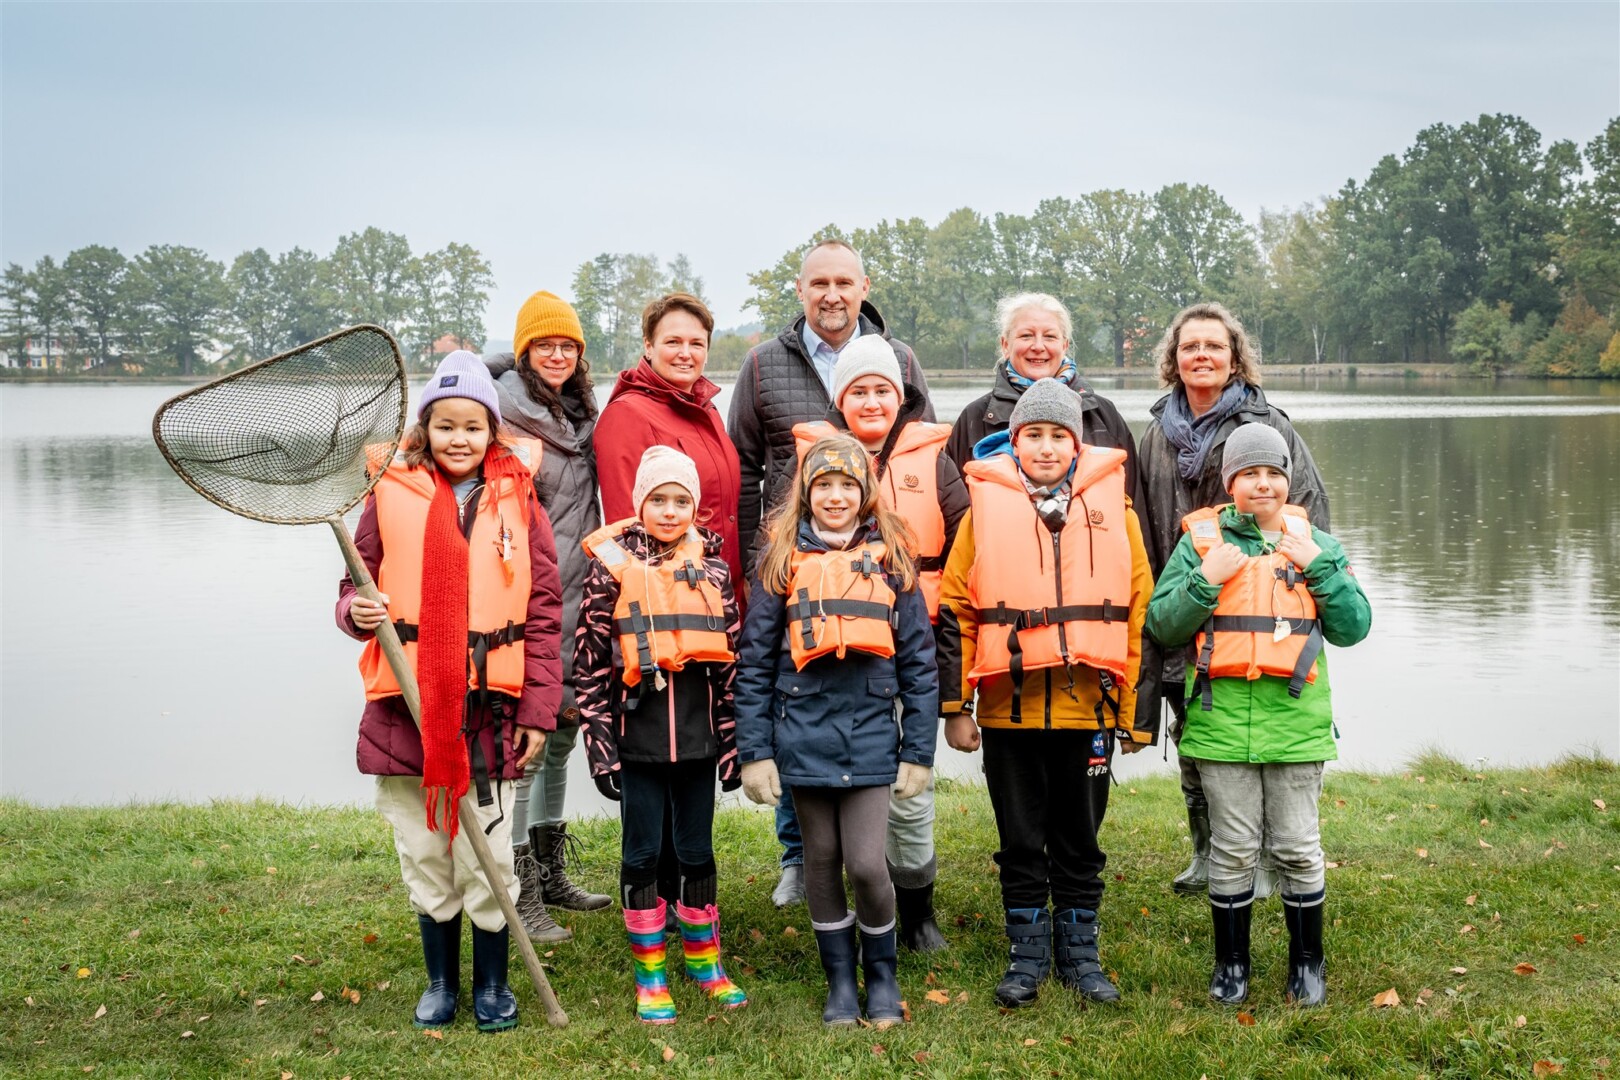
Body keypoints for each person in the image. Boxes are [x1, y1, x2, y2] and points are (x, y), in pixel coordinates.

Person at [336, 351, 563, 1032]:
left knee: (489, 858)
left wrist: (537, 709)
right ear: (425, 430)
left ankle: (493, 986)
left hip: (490, 715)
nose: (458, 439)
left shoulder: (519, 498)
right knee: (424, 852)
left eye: (472, 426)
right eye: (444, 426)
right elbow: (354, 585)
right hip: (406, 710)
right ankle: (441, 983)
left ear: (492, 431)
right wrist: (357, 613)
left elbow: (545, 608)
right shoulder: (387, 489)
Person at [937, 379, 1154, 1009]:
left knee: (1080, 838)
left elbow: (1138, 611)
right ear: (1015, 440)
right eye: (1033, 434)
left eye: (1059, 435)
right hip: (1011, 710)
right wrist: (957, 707)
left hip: (1087, 709)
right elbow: (956, 610)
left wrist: (1134, 715)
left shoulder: (1119, 515)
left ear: (1078, 444)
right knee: (1021, 836)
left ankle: (1080, 951)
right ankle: (1027, 953)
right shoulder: (984, 514)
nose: (1046, 446)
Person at [728, 238, 932, 908]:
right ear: (800, 289)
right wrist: (756, 566)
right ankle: (800, 856)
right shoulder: (763, 366)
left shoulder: (900, 361)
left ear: (864, 285)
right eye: (819, 283)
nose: (833, 294)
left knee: (878, 713)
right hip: (795, 572)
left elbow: (920, 456)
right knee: (798, 705)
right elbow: (745, 473)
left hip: (882, 573)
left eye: (845, 281)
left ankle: (900, 879)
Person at [1144, 425, 1370, 1007]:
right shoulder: (1200, 543)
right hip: (1220, 727)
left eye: (1273, 473)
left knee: (1297, 846)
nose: (1262, 484)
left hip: (1296, 725)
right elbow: (1163, 624)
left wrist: (1320, 567)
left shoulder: (1316, 542)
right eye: (1249, 474)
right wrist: (1204, 580)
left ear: (1287, 481)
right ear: (1230, 483)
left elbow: (1353, 627)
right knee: (1233, 847)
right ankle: (1232, 965)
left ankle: (1307, 964)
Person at [734, 434, 939, 1028]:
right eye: (822, 484)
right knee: (820, 858)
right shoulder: (780, 559)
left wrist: (918, 751)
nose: (835, 495)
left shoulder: (893, 558)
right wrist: (756, 753)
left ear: (865, 492)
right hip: (802, 734)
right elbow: (753, 662)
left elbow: (920, 664)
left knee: (869, 865)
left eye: (847, 484)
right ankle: (840, 982)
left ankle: (882, 974)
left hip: (874, 734)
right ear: (805, 491)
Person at [1137, 302, 1331, 900]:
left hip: (1260, 614)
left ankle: (1272, 858)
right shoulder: (1155, 433)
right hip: (1185, 603)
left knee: (1268, 745)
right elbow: (1142, 521)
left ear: (1234, 356)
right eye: (1189, 346)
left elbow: (1311, 513)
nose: (1202, 356)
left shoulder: (1269, 423)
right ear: (1174, 359)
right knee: (1195, 743)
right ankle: (1208, 851)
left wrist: (1303, 588)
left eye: (1214, 346)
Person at [790, 335, 966, 951]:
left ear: (901, 397)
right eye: (857, 390)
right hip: (832, 660)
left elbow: (965, 550)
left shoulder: (935, 459)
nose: (870, 401)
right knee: (828, 789)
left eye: (882, 391)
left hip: (913, 641)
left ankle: (916, 909)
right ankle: (837, 893)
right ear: (841, 399)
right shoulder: (814, 462)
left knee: (909, 795)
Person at [574, 446, 747, 1023]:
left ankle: (704, 959)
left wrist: (733, 744)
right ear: (639, 502)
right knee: (642, 853)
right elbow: (590, 664)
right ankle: (650, 972)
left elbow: (732, 668)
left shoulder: (715, 572)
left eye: (681, 501)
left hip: (698, 745)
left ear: (695, 508)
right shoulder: (609, 570)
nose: (670, 511)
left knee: (697, 851)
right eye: (659, 500)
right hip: (636, 744)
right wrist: (601, 752)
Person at [594, 293, 744, 917]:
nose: (686, 352)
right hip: (657, 612)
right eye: (673, 341)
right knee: (653, 765)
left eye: (697, 343)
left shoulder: (702, 407)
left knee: (693, 771)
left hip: (707, 596)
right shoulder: (631, 416)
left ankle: (692, 907)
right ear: (648, 346)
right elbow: (630, 519)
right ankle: (651, 906)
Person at [485, 290, 611, 946]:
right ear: (526, 350)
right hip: (528, 600)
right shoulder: (501, 413)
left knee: (561, 736)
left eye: (568, 346)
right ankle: (522, 890)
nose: (558, 355)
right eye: (546, 345)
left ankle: (553, 872)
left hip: (581, 597)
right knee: (524, 751)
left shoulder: (585, 412)